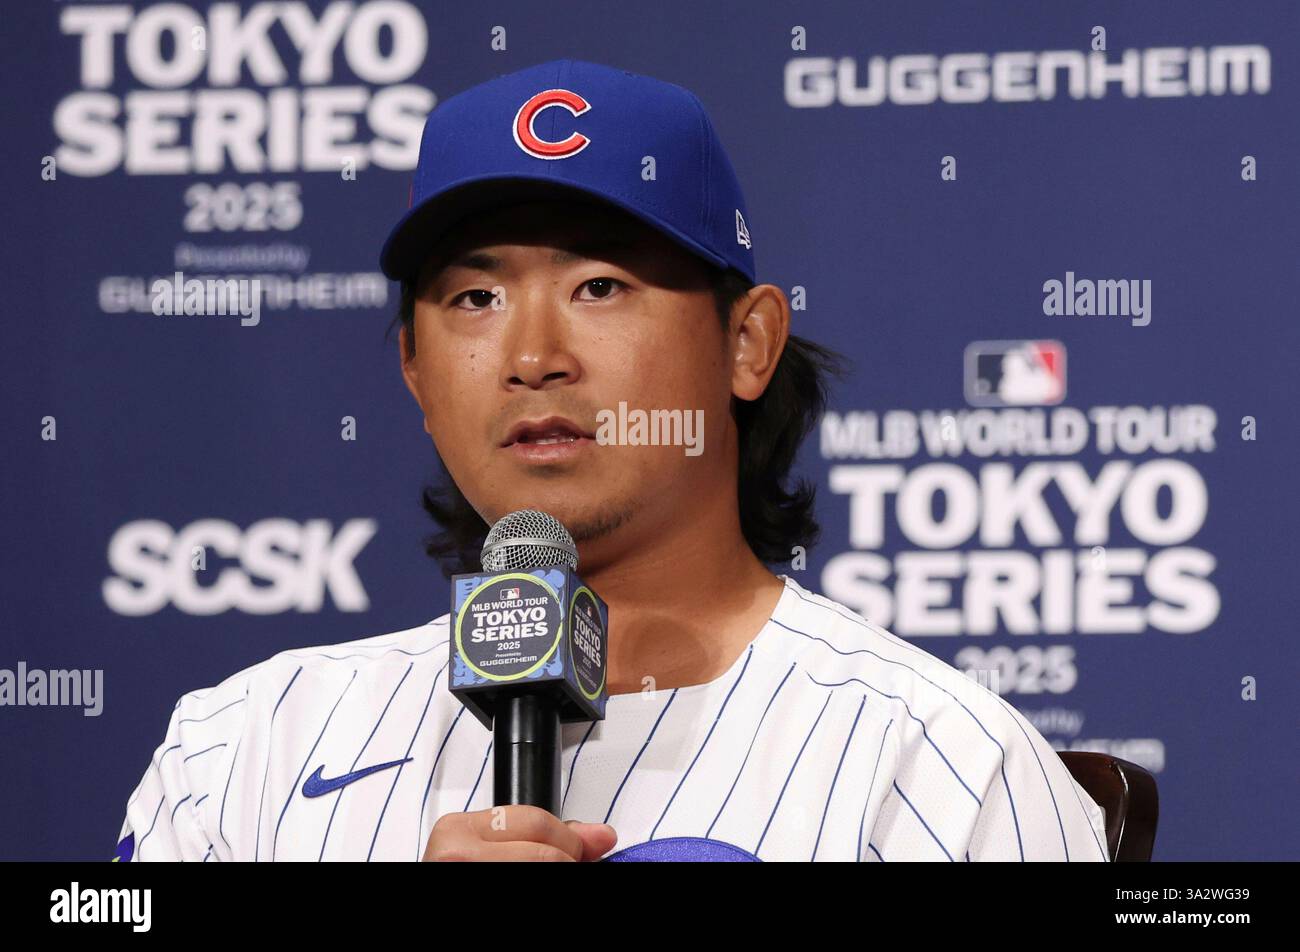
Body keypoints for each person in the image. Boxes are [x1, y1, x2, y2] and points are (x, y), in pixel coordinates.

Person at [116, 58, 1109, 862]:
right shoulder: (243, 745)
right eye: (475, 299)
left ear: (746, 344)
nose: (533, 356)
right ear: (415, 372)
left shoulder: (940, 765)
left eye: (599, 284)